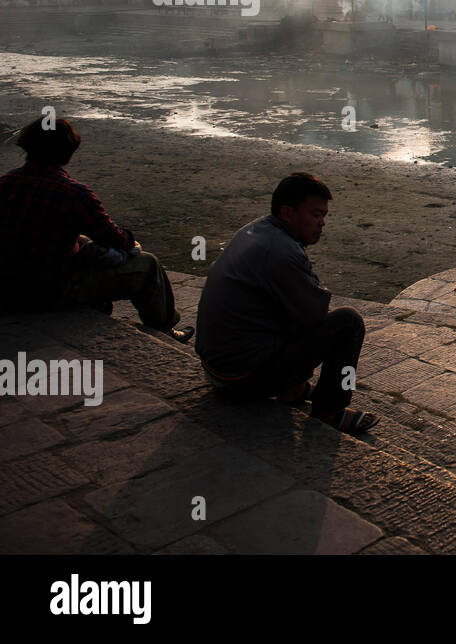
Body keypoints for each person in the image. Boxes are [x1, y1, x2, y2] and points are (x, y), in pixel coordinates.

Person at [195, 172, 378, 435]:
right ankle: (330, 410)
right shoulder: (281, 252)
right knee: (347, 323)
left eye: (324, 216)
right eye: (316, 215)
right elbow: (314, 317)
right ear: (288, 213)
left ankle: (292, 388)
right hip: (238, 378)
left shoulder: (254, 229)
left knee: (287, 311)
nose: (322, 223)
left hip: (217, 367)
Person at [0, 116, 183, 338]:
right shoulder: (72, 193)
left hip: (8, 288)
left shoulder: (5, 183)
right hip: (50, 290)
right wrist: (129, 241)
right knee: (147, 266)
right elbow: (114, 239)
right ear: (67, 152)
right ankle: (165, 330)